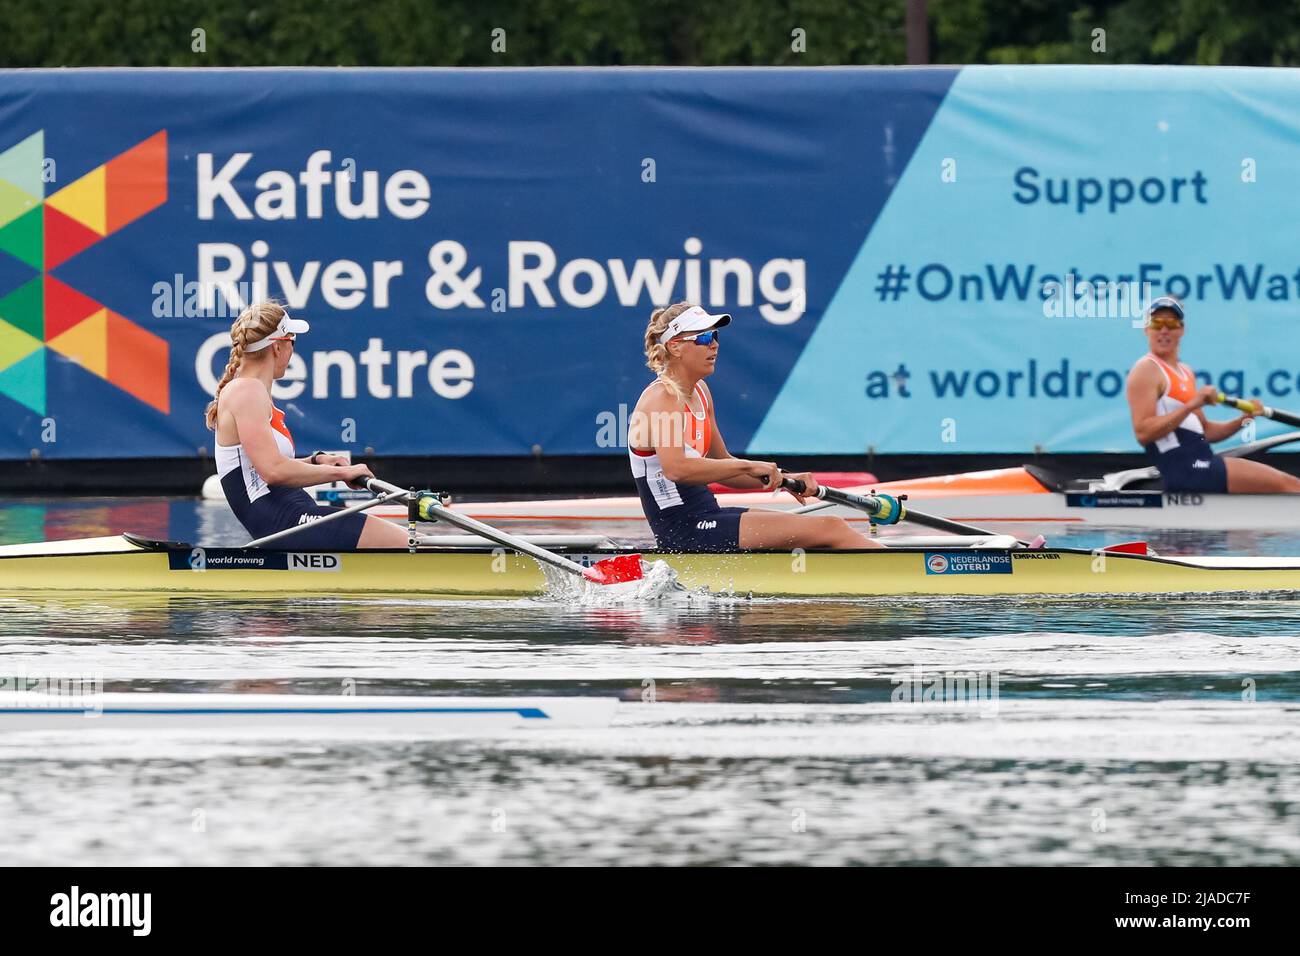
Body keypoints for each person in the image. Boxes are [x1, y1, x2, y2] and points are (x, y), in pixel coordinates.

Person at [629, 302, 880, 551]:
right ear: (675, 346)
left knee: (817, 533)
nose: (714, 344)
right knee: (831, 528)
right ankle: (909, 574)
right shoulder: (662, 398)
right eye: (703, 337)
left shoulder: (701, 393)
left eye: (714, 335)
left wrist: (784, 478)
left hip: (708, 517)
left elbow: (725, 466)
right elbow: (677, 469)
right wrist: (751, 465)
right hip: (683, 531)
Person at [205, 300, 410, 547]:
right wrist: (342, 472)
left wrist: (315, 461)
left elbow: (258, 470)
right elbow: (273, 471)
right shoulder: (246, 392)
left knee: (413, 541)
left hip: (292, 516)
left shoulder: (250, 392)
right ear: (277, 347)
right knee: (416, 544)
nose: (293, 351)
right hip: (283, 524)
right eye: (292, 342)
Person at [1125, 296, 1300, 493]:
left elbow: (1206, 432)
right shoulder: (1146, 369)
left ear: (1181, 330)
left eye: (1171, 323)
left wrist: (1245, 419)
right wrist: (1191, 404)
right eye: (1157, 323)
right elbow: (1143, 433)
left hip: (1202, 463)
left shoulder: (1185, 372)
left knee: (1290, 484)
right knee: (1292, 485)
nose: (1164, 330)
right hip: (1186, 470)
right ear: (1146, 330)